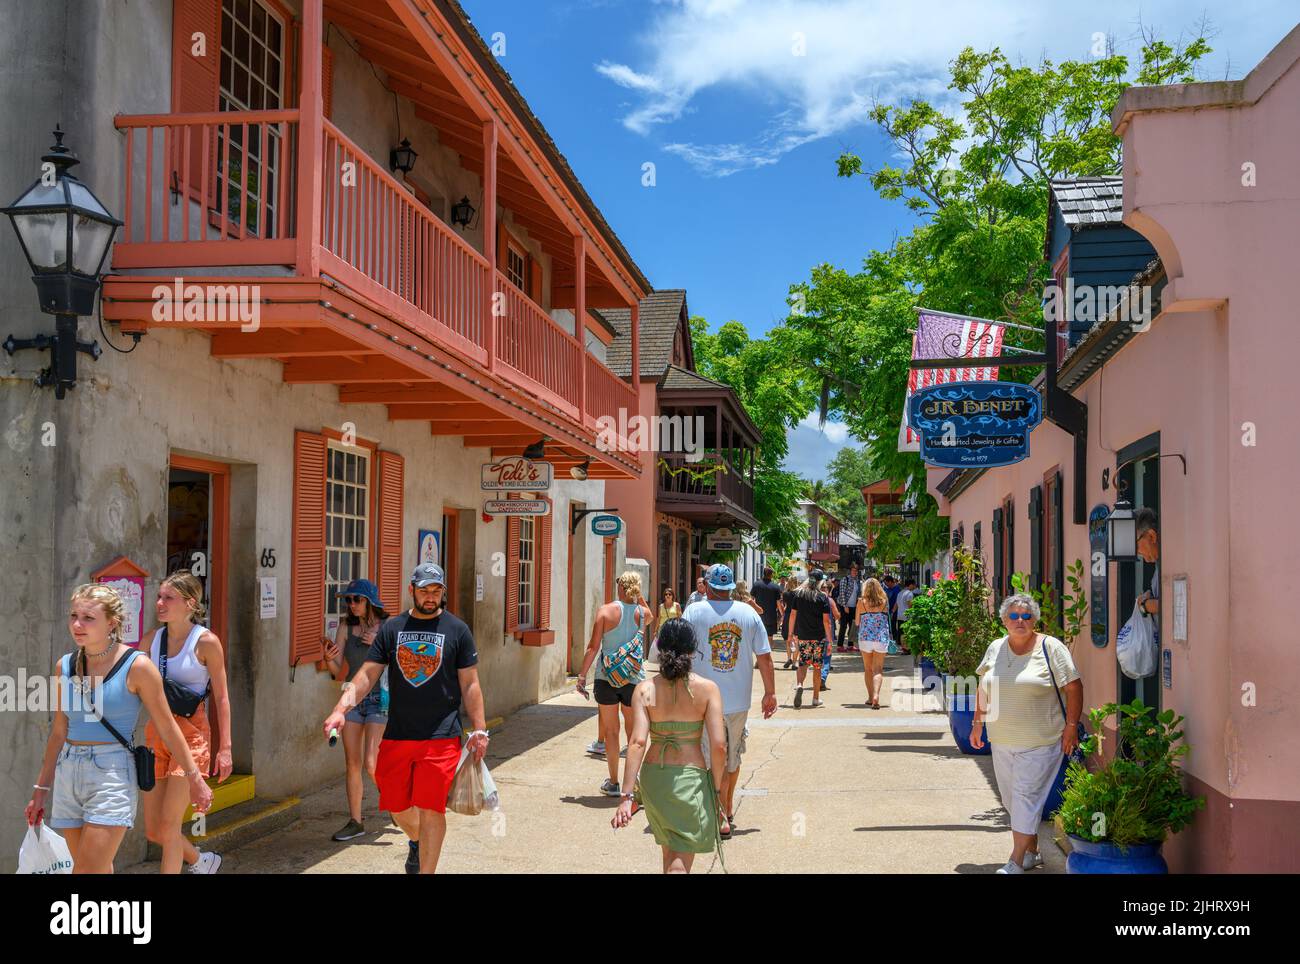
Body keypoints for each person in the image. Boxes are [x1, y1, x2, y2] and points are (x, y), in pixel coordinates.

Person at [26, 584, 213, 874]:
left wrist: (194, 778)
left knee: (86, 871)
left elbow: (167, 727)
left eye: (88, 618)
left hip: (111, 773)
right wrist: (41, 790)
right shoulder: (64, 666)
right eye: (74, 615)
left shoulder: (137, 666)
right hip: (68, 774)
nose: (77, 624)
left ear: (111, 622)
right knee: (96, 869)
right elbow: (60, 731)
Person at [323, 563, 487, 874]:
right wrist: (340, 709)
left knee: (431, 808)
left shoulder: (457, 630)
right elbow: (367, 675)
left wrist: (480, 730)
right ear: (411, 590)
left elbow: (470, 683)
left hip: (441, 737)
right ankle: (416, 841)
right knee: (397, 807)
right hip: (398, 734)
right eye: (424, 590)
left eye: (436, 590)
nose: (430, 596)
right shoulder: (393, 629)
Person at [971, 594, 1083, 875]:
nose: (1020, 621)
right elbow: (983, 687)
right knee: (1012, 801)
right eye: (1014, 616)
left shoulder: (1051, 648)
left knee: (1025, 797)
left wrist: (1071, 726)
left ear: (1035, 620)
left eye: (1026, 616)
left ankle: (1016, 861)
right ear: (1003, 620)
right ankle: (1032, 851)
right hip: (1002, 740)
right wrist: (977, 722)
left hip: (1041, 741)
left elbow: (1073, 686)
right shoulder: (995, 648)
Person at [611, 618, 726, 873]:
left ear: (660, 648)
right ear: (693, 649)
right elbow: (719, 746)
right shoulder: (708, 689)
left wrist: (626, 796)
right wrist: (717, 791)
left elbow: (637, 742)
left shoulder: (645, 690)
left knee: (669, 853)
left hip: (655, 780)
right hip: (690, 778)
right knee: (680, 862)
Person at [140, 571, 231, 874]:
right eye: (159, 597)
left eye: (168, 597)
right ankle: (200, 860)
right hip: (156, 735)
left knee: (168, 828)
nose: (160, 603)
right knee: (154, 831)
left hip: (192, 735)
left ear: (190, 603)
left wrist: (225, 748)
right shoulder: (151, 640)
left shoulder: (205, 642)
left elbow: (221, 698)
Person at [682, 564, 777, 837]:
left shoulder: (693, 611)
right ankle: (726, 806)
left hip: (701, 701)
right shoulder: (748, 613)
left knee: (709, 758)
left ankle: (718, 811)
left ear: (709, 587)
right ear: (731, 588)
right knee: (732, 758)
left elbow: (682, 652)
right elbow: (765, 657)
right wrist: (770, 692)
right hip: (737, 701)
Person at [322, 578, 390, 843]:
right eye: (348, 600)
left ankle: (395, 802)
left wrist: (379, 641)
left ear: (370, 602)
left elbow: (399, 660)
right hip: (351, 697)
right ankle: (355, 821)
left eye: (356, 599)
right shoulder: (345, 627)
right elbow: (339, 672)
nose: (351, 605)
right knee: (352, 763)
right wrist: (329, 659)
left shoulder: (387, 627)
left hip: (380, 698)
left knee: (372, 763)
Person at [576, 572, 653, 797]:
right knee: (633, 732)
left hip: (606, 677)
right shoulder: (642, 613)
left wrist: (581, 676)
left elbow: (593, 647)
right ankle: (633, 782)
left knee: (611, 732)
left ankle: (613, 782)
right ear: (637, 589)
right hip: (633, 679)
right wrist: (639, 598)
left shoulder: (605, 611)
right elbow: (650, 615)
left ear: (619, 587)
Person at [786, 572, 833, 709]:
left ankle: (800, 684)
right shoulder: (822, 597)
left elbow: (793, 615)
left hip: (803, 635)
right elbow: (826, 621)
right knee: (817, 666)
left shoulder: (799, 595)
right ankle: (815, 698)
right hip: (818, 636)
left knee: (803, 663)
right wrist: (829, 641)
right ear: (820, 583)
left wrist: (790, 634)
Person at [855, 578, 892, 709]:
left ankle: (870, 697)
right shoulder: (884, 601)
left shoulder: (861, 602)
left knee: (868, 668)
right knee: (878, 669)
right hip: (881, 639)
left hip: (865, 638)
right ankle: (876, 695)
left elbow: (857, 622)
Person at [1135, 508, 1160, 617]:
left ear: (1151, 536)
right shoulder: (1158, 565)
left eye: (1135, 545)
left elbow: (1174, 603)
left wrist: (1146, 605)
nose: (1135, 552)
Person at [751, 567, 783, 645]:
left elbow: (751, 599)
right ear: (771, 575)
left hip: (758, 613)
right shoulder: (775, 587)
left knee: (758, 634)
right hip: (771, 615)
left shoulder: (756, 584)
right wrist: (782, 614)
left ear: (763, 574)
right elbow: (778, 603)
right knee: (770, 636)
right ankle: (769, 651)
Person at [818, 578, 841, 691]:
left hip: (814, 631)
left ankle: (817, 678)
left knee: (817, 656)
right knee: (827, 656)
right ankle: (822, 678)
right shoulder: (830, 600)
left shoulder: (813, 598)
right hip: (827, 631)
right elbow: (837, 615)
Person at [835, 563, 861, 652]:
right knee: (843, 626)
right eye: (853, 570)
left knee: (852, 626)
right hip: (844, 606)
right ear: (850, 571)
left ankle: (850, 645)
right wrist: (845, 605)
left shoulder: (857, 581)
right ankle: (840, 645)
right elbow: (841, 593)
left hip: (853, 607)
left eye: (856, 570)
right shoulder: (845, 579)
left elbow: (858, 594)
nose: (855, 572)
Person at [894, 578, 916, 654]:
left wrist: (892, 612)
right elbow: (910, 605)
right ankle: (907, 648)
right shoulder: (910, 593)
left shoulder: (900, 593)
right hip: (907, 616)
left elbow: (896, 605)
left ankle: (904, 648)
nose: (914, 587)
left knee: (901, 633)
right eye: (914, 585)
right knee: (907, 632)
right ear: (910, 585)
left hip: (899, 615)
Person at [884, 575, 903, 644]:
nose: (886, 585)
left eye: (887, 583)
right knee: (889, 625)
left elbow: (897, 602)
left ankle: (895, 639)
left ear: (890, 582)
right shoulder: (887, 589)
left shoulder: (897, 589)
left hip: (895, 610)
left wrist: (893, 611)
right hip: (888, 610)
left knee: (894, 625)